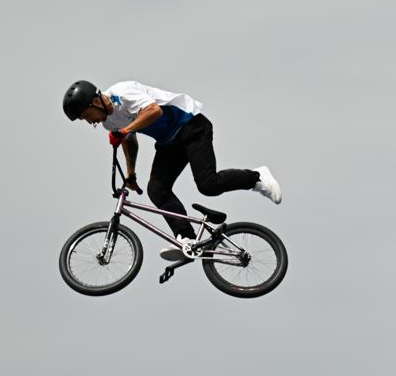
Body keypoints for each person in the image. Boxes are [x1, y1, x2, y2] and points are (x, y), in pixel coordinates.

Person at [62, 80, 282, 260]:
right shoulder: (108, 122)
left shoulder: (123, 92)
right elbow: (129, 140)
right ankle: (186, 238)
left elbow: (153, 111)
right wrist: (131, 173)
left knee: (208, 185)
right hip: (169, 142)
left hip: (191, 126)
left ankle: (256, 177)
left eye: (86, 115)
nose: (88, 122)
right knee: (157, 189)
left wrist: (125, 130)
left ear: (95, 101)